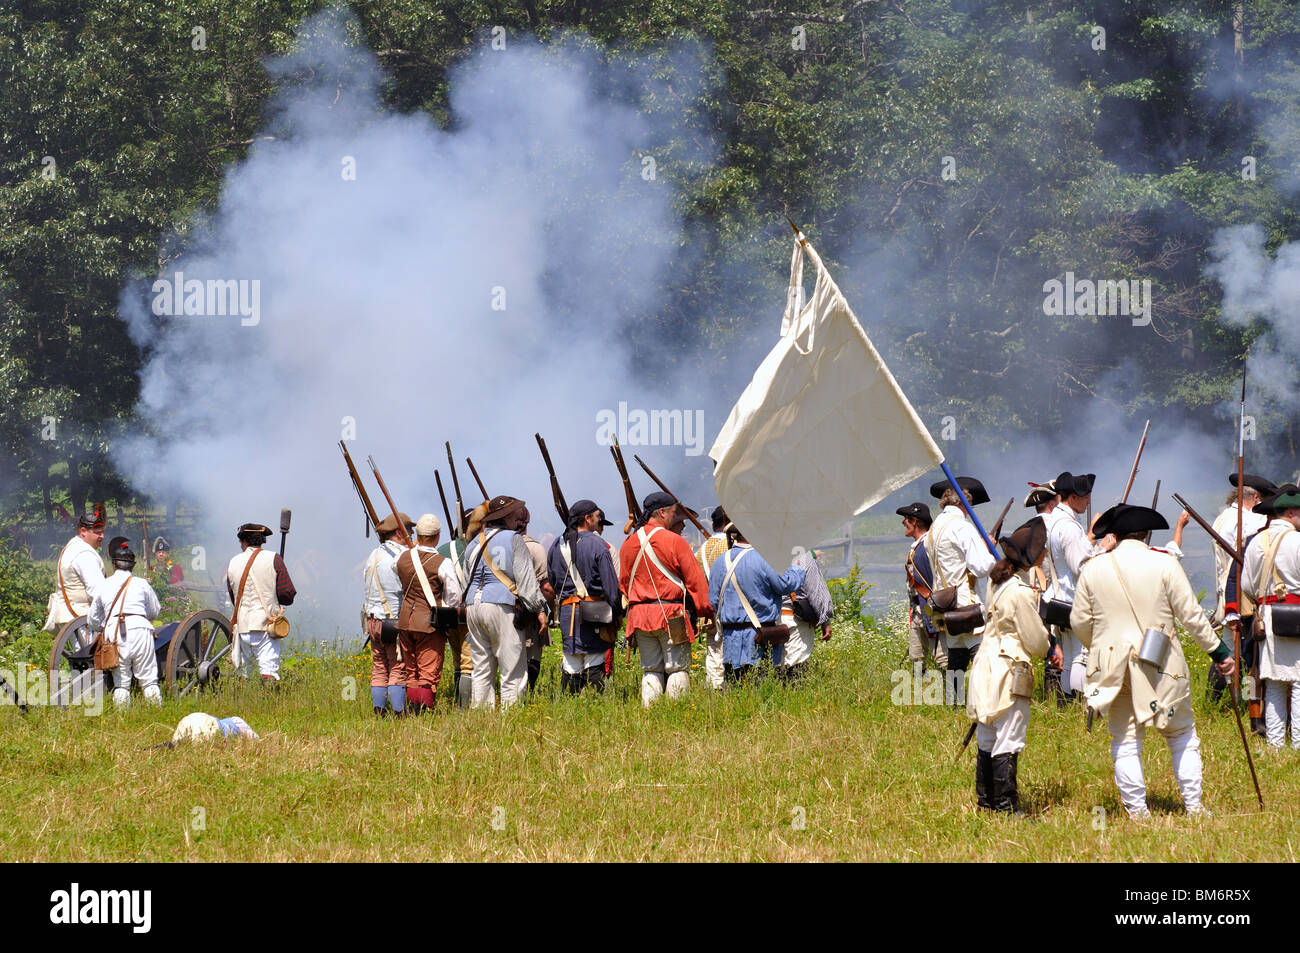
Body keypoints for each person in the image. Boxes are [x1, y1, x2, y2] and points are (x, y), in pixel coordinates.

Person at [1071, 504, 1235, 820]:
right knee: (1181, 735)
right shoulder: (1165, 564)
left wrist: (1102, 646)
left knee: (1126, 740)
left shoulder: (1094, 568)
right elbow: (1191, 617)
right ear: (1146, 535)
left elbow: (1079, 622)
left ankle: (1137, 813)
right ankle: (1195, 808)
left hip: (1113, 669)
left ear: (1114, 536)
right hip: (1163, 664)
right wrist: (1219, 652)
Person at [966, 519, 1056, 814]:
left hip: (986, 664)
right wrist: (1051, 648)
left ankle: (987, 802)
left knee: (988, 733)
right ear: (1031, 558)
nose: (1044, 554)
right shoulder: (1019, 592)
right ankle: (1006, 806)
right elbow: (1034, 639)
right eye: (1041, 551)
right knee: (1009, 735)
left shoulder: (998, 581)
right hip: (1009, 667)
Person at [619, 491, 712, 707]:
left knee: (651, 668)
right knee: (678, 668)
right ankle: (675, 714)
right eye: (671, 513)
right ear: (661, 512)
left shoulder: (628, 543)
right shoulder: (675, 541)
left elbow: (624, 584)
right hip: (672, 616)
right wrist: (706, 611)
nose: (673, 517)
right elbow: (695, 582)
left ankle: (651, 715)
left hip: (640, 617)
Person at [463, 496, 547, 710]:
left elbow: (465, 579)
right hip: (501, 604)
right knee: (513, 668)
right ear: (507, 516)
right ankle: (511, 716)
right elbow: (526, 579)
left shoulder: (474, 542)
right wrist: (539, 608)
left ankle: (482, 715)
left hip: (473, 606)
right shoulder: (513, 539)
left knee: (481, 668)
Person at [1042, 471, 1116, 706]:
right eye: (1085, 497)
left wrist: (1091, 538)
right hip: (1073, 598)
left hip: (1060, 598)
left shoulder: (1056, 520)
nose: (1088, 501)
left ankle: (1066, 705)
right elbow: (1080, 566)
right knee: (1080, 657)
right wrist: (1103, 548)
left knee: (1071, 653)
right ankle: (1080, 704)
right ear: (1073, 497)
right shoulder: (1068, 526)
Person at [1238, 485, 1300, 748]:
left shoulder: (1256, 542)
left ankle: (1276, 744)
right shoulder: (1297, 541)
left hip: (1266, 617)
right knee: (1298, 683)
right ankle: (1298, 743)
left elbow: (1246, 587)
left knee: (1273, 683)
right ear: (1289, 512)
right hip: (1296, 614)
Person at [925, 476, 997, 701]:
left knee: (956, 657)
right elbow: (983, 566)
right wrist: (990, 550)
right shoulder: (962, 527)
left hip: (945, 604)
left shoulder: (933, 530)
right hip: (965, 602)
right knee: (981, 655)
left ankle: (955, 705)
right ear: (962, 504)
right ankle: (981, 702)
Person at [1211, 474, 1276, 710]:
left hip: (1229, 593)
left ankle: (1223, 701)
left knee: (1231, 651)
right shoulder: (1246, 521)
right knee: (1250, 656)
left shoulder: (1225, 516)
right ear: (1257, 498)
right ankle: (1249, 703)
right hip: (1242, 596)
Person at [708, 523, 804, 683]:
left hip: (731, 641)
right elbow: (785, 585)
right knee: (763, 692)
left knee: (736, 690)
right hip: (761, 639)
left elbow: (714, 601)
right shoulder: (765, 559)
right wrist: (796, 566)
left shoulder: (719, 562)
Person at [547, 499, 622, 694]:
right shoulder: (598, 544)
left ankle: (570, 710)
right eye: (597, 517)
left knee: (571, 663)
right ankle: (595, 708)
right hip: (594, 613)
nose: (599, 521)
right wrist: (617, 612)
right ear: (587, 519)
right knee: (594, 663)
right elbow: (611, 587)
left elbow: (553, 581)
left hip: (566, 612)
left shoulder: (557, 544)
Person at [394, 514, 463, 715]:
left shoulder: (402, 557)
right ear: (437, 535)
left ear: (418, 534)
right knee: (428, 671)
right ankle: (423, 713)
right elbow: (454, 596)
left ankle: (413, 709)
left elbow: (396, 572)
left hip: (406, 621)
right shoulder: (443, 562)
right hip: (430, 623)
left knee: (411, 670)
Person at [88, 537, 162, 708]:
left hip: (114, 635)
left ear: (113, 564)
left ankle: (122, 718)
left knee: (121, 683)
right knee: (149, 680)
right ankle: (156, 712)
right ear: (133, 565)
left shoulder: (104, 585)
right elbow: (154, 611)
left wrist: (105, 627)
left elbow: (92, 619)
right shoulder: (142, 584)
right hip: (141, 630)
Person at [226, 522, 297, 683]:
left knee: (243, 672)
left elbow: (233, 597)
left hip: (242, 626)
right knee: (268, 668)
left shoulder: (233, 562)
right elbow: (287, 593)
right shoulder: (274, 558)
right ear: (262, 540)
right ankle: (269, 702)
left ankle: (243, 702)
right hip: (266, 626)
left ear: (244, 541)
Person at [363, 512, 413, 716]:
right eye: (409, 530)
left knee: (379, 667)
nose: (411, 533)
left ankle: (379, 711)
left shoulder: (373, 555)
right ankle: (399, 712)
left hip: (372, 619)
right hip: (392, 620)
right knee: (398, 667)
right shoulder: (401, 556)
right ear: (399, 533)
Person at [438, 505, 485, 709]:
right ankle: (464, 709)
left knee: (458, 660)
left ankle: (459, 701)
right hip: (469, 611)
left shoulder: (442, 549)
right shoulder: (479, 548)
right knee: (468, 663)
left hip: (447, 613)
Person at [899, 502, 946, 674]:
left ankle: (952, 697)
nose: (903, 523)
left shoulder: (927, 545)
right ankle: (920, 696)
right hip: (918, 609)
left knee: (941, 657)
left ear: (915, 521)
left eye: (906, 519)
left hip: (930, 608)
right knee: (917, 656)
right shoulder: (918, 546)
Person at [516, 507, 556, 694]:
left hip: (504, 612)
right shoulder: (535, 548)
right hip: (529, 615)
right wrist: (546, 612)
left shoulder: (497, 546)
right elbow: (546, 588)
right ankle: (525, 696)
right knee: (531, 660)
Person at [45, 509, 107, 630]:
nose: (102, 536)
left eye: (102, 532)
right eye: (97, 533)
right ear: (83, 531)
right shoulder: (84, 554)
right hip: (82, 616)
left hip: (71, 615)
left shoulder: (73, 546)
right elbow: (97, 591)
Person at [778, 548, 832, 680]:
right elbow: (816, 590)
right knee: (797, 667)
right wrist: (825, 620)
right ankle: (794, 697)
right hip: (795, 619)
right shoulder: (803, 555)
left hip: (771, 619)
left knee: (778, 667)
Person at [697, 506, 731, 690]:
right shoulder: (730, 545)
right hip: (730, 607)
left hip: (709, 609)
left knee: (714, 651)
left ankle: (715, 688)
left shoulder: (701, 549)